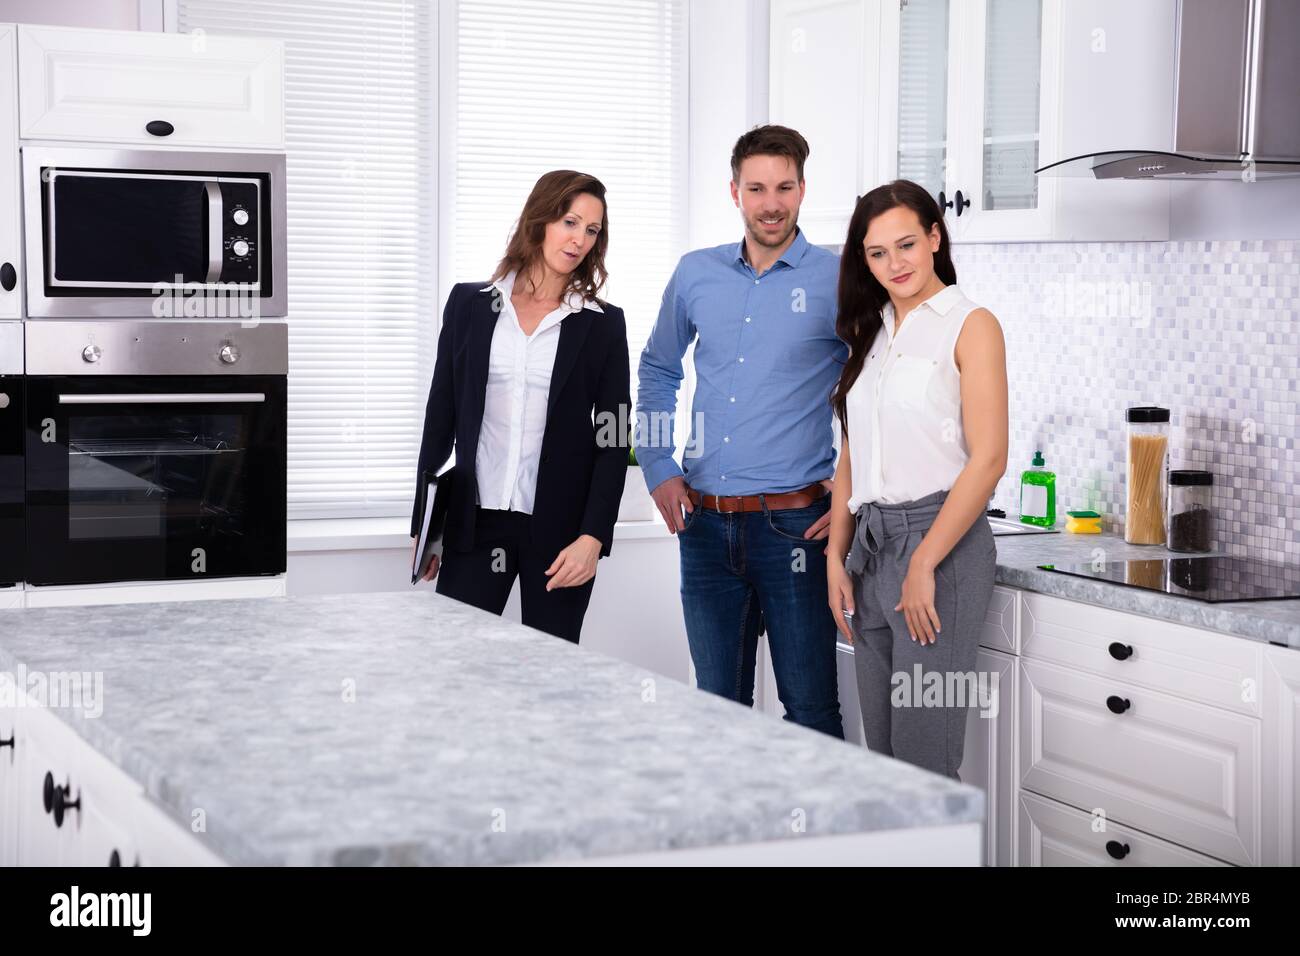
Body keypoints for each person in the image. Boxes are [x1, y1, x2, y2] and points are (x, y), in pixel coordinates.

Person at [636, 126, 845, 738]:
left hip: (795, 532)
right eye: (757, 188)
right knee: (717, 715)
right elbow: (656, 369)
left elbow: (873, 387)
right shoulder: (695, 273)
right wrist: (657, 465)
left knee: (808, 713)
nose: (771, 202)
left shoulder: (839, 280)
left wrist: (854, 493)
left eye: (784, 187)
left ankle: (820, 838)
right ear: (735, 192)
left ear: (803, 190)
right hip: (703, 528)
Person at [826, 180, 1009, 778]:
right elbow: (854, 448)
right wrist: (835, 554)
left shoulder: (971, 324)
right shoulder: (873, 330)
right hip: (871, 552)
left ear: (935, 237)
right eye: (877, 253)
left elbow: (989, 459)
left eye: (906, 244)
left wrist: (925, 563)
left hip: (942, 549)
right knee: (881, 762)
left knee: (925, 763)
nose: (893, 264)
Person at [410, 170, 630, 644]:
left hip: (561, 534)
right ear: (540, 219)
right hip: (475, 523)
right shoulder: (470, 304)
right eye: (570, 222)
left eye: (591, 230)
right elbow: (439, 416)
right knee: (458, 666)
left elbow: (614, 440)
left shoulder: (603, 325)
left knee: (551, 679)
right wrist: (426, 531)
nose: (579, 240)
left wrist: (593, 538)